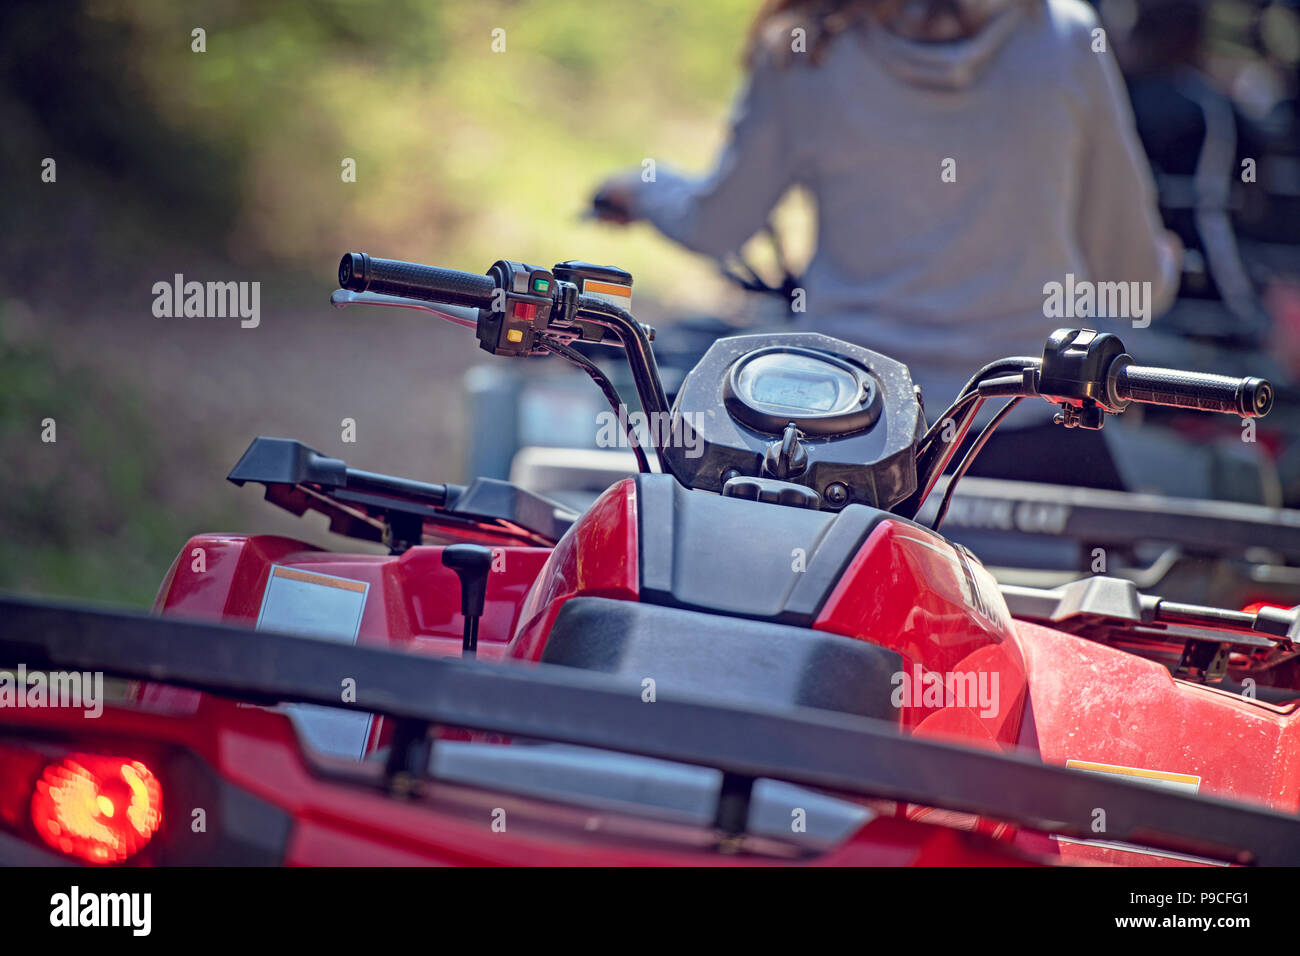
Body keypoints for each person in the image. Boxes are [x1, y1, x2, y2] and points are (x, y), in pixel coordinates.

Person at [593, 0, 1182, 488]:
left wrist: (640, 191)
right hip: (1035, 429)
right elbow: (1137, 280)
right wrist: (1163, 266)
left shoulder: (807, 49)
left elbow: (715, 223)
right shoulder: (1068, 38)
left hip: (852, 444)